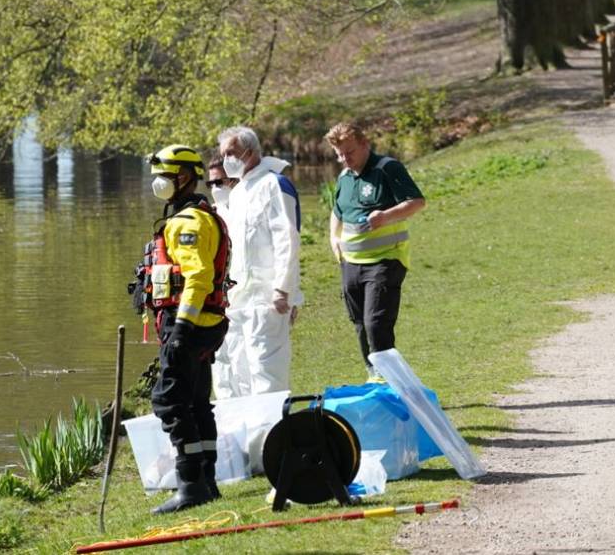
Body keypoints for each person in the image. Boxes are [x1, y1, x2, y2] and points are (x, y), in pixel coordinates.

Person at [141, 145, 231, 513]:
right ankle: (207, 480)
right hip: (205, 324)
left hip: (191, 326)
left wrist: (180, 328)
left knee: (171, 403)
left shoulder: (188, 223)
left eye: (163, 176)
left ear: (183, 178)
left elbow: (197, 276)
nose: (158, 183)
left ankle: (191, 484)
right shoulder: (198, 215)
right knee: (196, 403)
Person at [325, 122, 426, 382]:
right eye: (339, 155)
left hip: (385, 260)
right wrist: (334, 239)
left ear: (365, 145)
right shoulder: (344, 177)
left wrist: (386, 216)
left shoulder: (387, 169)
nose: (345, 160)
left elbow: (416, 202)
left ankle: (389, 381)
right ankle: (373, 375)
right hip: (351, 263)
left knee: (376, 324)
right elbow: (337, 212)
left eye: (350, 152)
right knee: (359, 324)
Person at [211, 126, 303, 399]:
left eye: (231, 153)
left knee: (266, 371)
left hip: (267, 298)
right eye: (223, 154)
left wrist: (284, 289)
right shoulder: (238, 192)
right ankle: (245, 435)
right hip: (238, 297)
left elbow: (287, 238)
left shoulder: (274, 184)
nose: (227, 160)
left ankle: (272, 433)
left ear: (250, 152)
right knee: (236, 370)